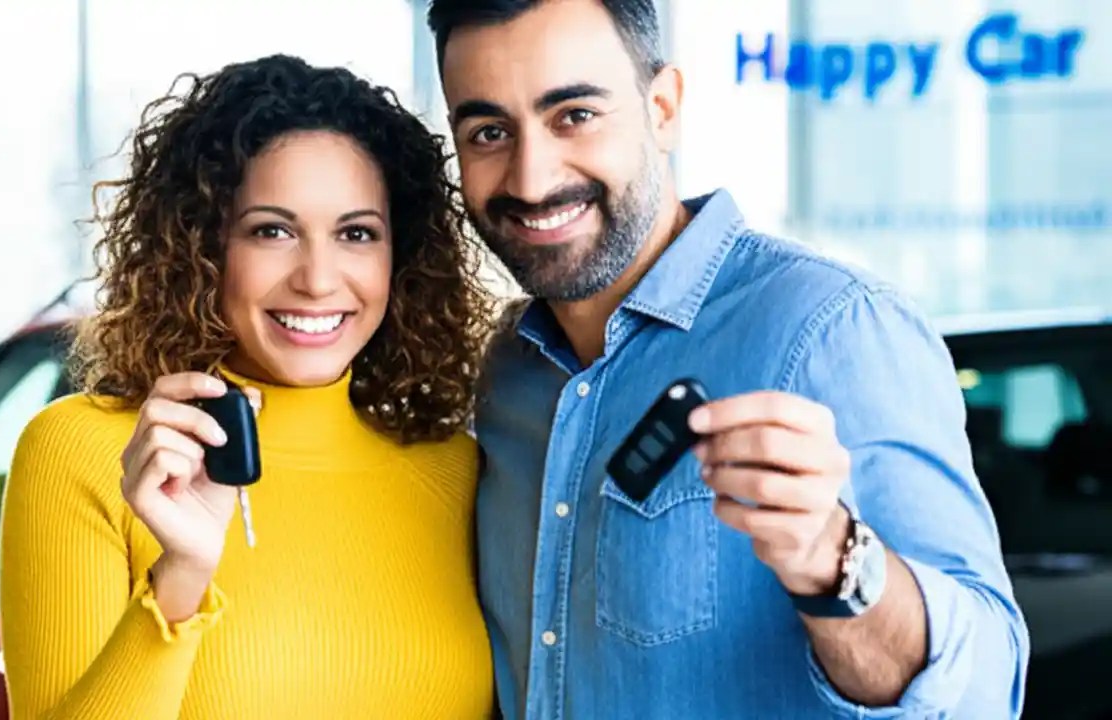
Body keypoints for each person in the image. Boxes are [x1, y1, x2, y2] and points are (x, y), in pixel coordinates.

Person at [426, 0, 1030, 717]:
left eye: (575, 115)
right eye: (489, 132)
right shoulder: (507, 376)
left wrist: (835, 559)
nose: (530, 178)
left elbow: (985, 691)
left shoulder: (832, 327)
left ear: (663, 109)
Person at [0, 54, 498, 719]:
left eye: (356, 233)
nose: (318, 279)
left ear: (397, 256)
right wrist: (182, 573)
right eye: (272, 231)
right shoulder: (83, 453)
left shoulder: (457, 471)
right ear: (204, 248)